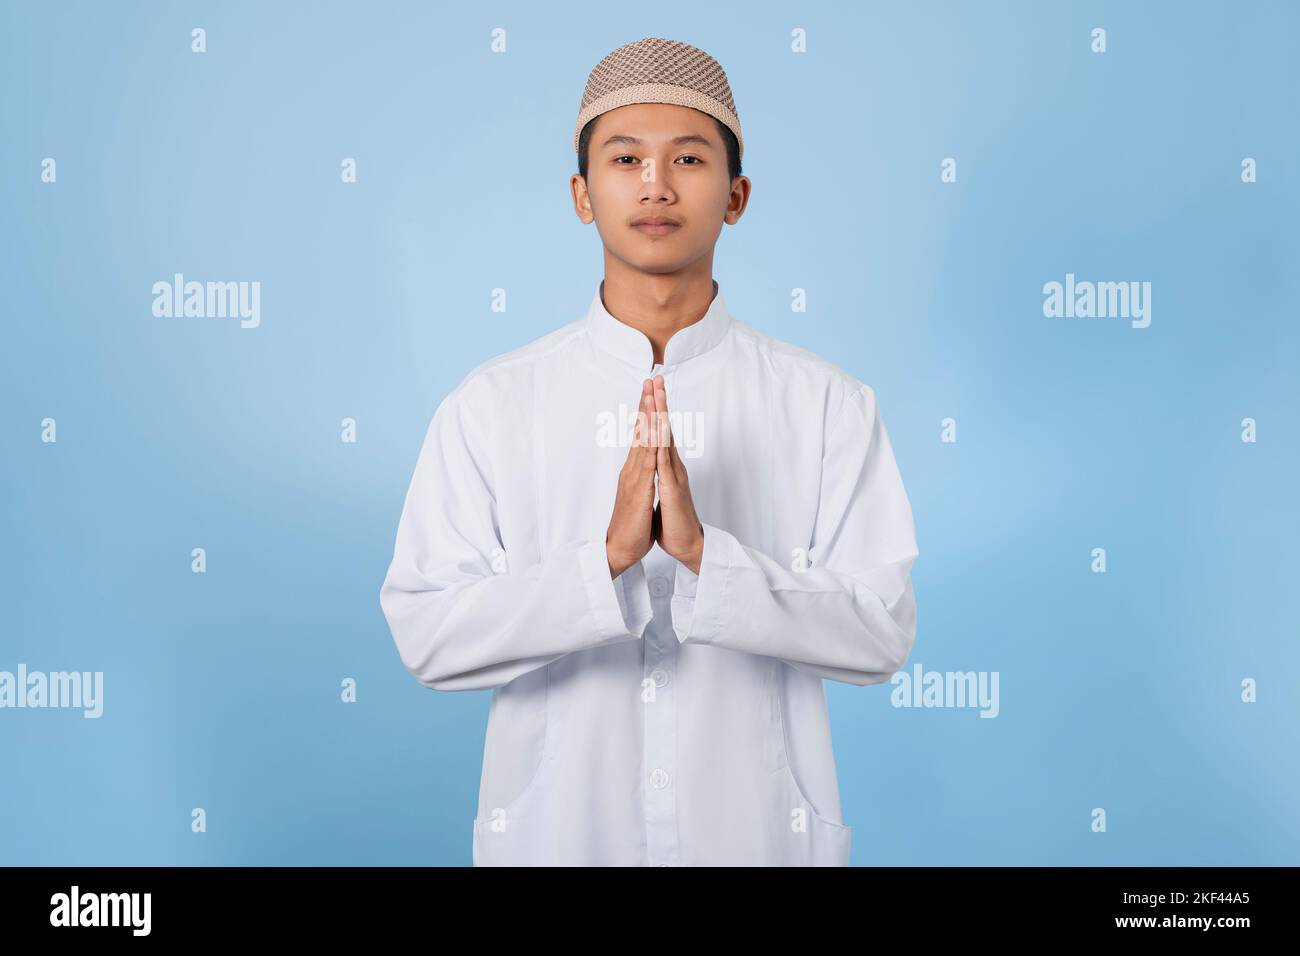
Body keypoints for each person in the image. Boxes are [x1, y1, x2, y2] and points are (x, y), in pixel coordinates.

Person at [379, 37, 919, 866]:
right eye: (625, 156)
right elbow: (426, 631)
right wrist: (604, 563)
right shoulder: (493, 405)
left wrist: (709, 558)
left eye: (689, 159)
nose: (656, 185)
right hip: (560, 837)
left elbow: (881, 632)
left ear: (735, 196)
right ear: (581, 195)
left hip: (758, 837)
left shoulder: (825, 405)